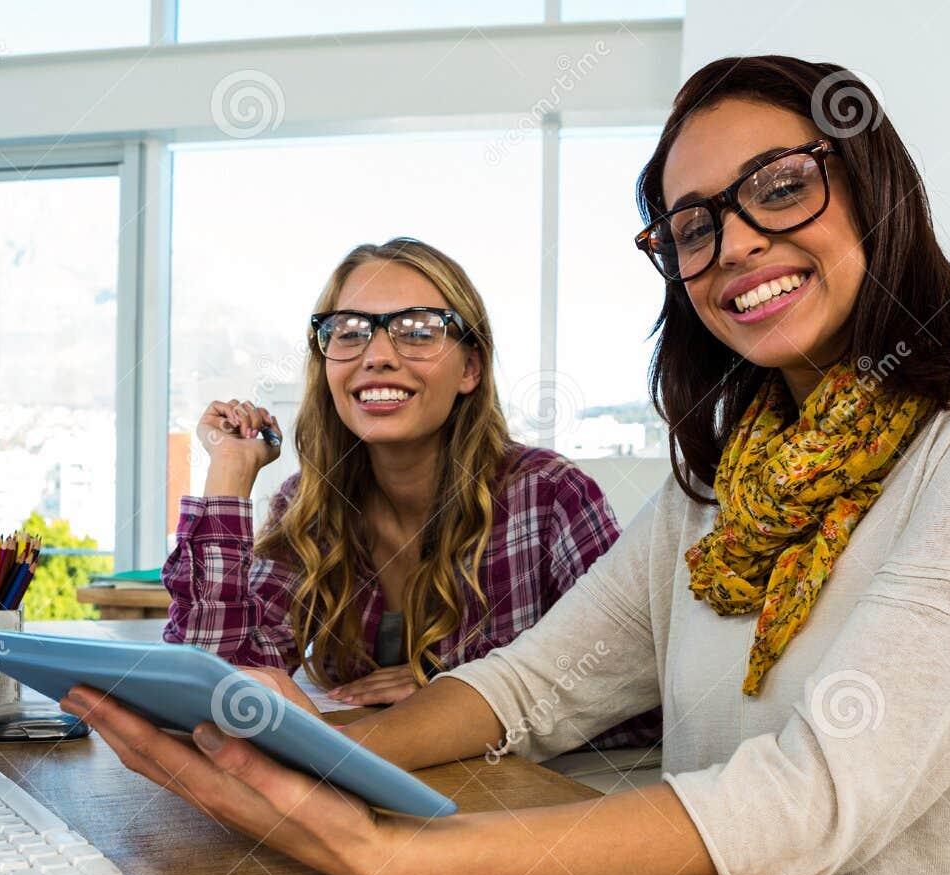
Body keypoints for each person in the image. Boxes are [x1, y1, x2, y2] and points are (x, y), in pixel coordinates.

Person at [68, 57, 950, 875]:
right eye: (690, 227)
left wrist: (395, 850)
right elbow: (533, 682)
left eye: (781, 186)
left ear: (873, 188)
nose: (736, 246)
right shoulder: (726, 470)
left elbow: (821, 788)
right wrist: (315, 750)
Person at [161, 236, 659, 748]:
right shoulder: (309, 505)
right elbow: (213, 685)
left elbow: (633, 693)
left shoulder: (551, 497)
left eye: (418, 330)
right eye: (350, 332)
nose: (376, 356)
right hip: (355, 796)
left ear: (470, 369)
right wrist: (229, 473)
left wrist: (455, 690)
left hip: (518, 808)